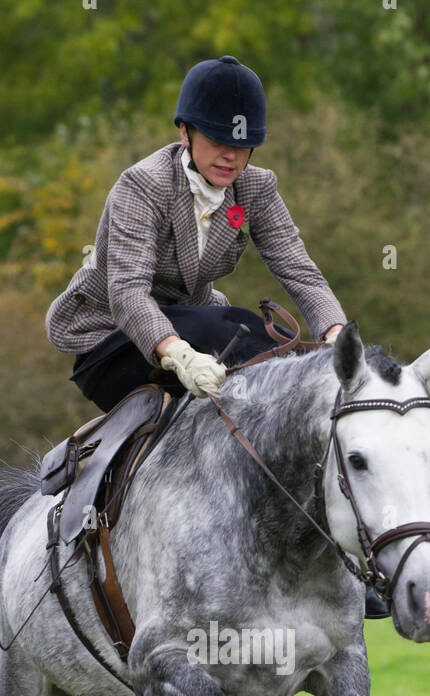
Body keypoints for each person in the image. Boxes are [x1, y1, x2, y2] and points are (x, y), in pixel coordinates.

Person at [45, 54, 389, 617]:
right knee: (239, 332)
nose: (231, 155)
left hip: (194, 325)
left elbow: (296, 268)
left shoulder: (255, 188)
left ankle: (330, 559)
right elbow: (128, 291)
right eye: (216, 141)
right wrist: (177, 355)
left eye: (244, 144)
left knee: (260, 355)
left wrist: (336, 343)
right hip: (109, 338)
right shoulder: (140, 187)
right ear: (184, 132)